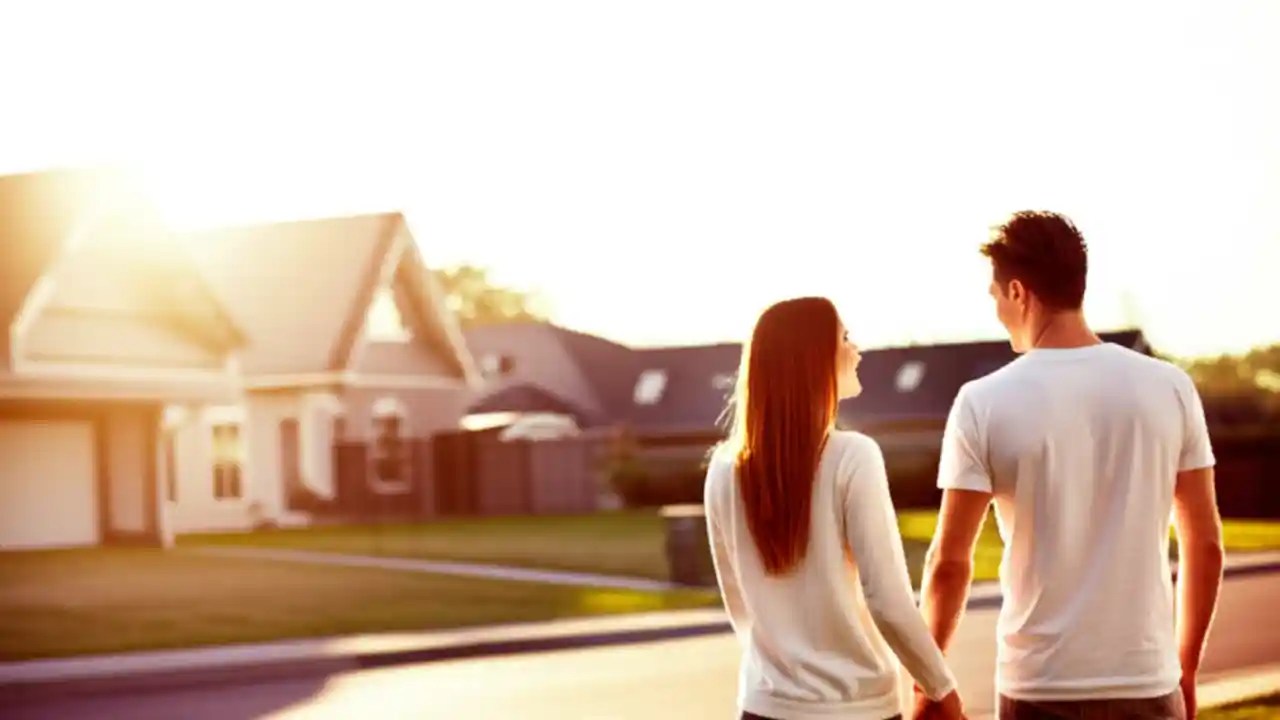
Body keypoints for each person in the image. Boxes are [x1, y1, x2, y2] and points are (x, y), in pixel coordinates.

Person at [919, 211, 1225, 719]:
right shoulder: (1170, 387)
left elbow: (949, 565)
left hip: (1037, 687)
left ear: (1018, 293)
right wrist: (1185, 668)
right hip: (1147, 682)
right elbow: (1205, 544)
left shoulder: (983, 401)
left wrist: (927, 682)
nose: (996, 310)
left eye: (995, 296)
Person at [704, 296, 965, 720]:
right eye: (844, 337)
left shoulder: (721, 470)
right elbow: (888, 600)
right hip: (855, 710)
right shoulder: (853, 456)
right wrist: (941, 688)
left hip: (763, 706)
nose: (856, 349)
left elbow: (739, 603)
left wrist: (782, 677)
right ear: (814, 359)